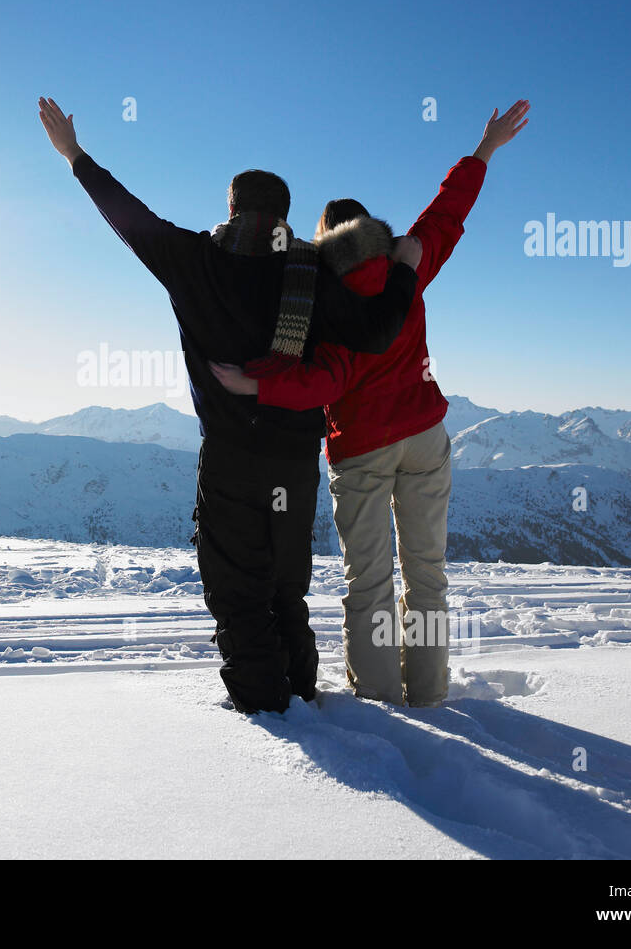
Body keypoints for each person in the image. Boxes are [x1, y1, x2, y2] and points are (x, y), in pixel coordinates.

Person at [38, 96, 420, 714]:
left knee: (238, 590)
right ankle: (299, 693)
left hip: (232, 459)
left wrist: (76, 157)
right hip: (295, 459)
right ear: (286, 217)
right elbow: (377, 333)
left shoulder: (196, 261)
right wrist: (402, 270)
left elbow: (129, 218)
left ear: (233, 209)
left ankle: (266, 706)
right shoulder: (313, 273)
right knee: (286, 588)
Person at [211, 100, 530, 707]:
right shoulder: (407, 264)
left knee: (370, 581)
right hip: (425, 436)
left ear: (325, 239)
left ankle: (382, 702)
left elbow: (326, 380)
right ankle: (430, 693)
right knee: (428, 576)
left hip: (361, 447)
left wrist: (256, 385)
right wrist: (484, 149)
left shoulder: (323, 298)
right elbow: (447, 214)